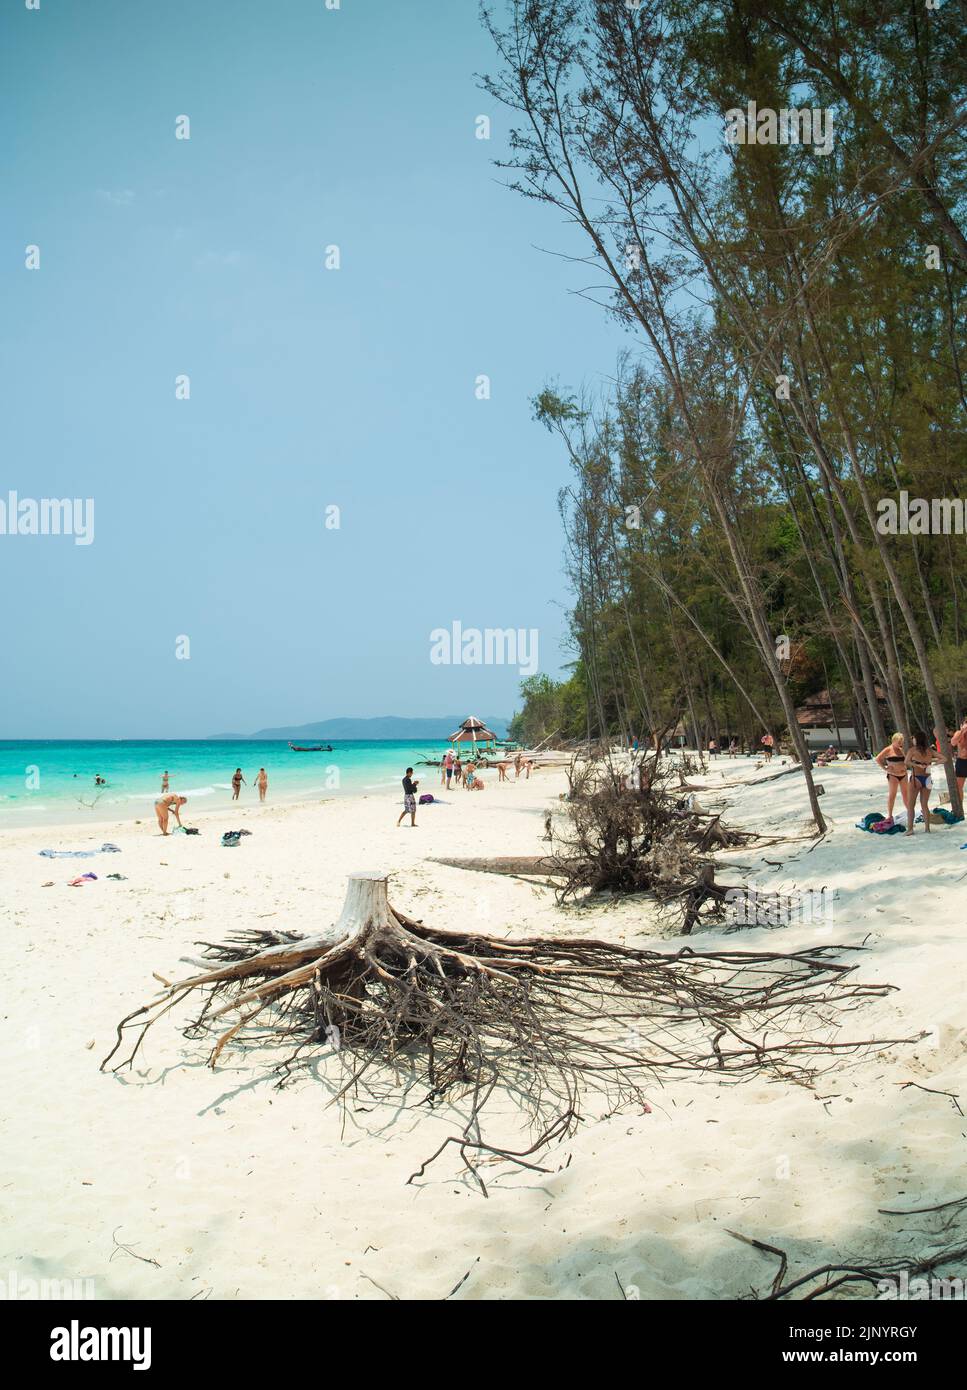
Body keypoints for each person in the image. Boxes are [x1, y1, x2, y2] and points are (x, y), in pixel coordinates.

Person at [905, 730, 943, 835]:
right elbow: (944, 758)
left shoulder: (912, 750)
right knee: (924, 805)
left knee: (910, 805)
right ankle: (927, 829)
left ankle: (910, 829)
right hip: (928, 779)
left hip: (916, 778)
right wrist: (932, 763)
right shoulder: (929, 751)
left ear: (917, 739)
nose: (913, 740)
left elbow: (906, 762)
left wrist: (917, 765)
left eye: (914, 738)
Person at [876, 732, 908, 822]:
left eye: (901, 742)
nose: (900, 744)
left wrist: (905, 766)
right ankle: (890, 815)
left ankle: (910, 812)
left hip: (904, 774)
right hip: (893, 775)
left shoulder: (901, 750)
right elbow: (878, 759)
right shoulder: (888, 749)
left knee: (905, 795)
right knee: (892, 795)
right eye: (899, 742)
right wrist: (885, 768)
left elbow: (905, 760)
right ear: (894, 741)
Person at [951, 716, 967, 803]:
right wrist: (962, 731)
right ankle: (960, 807)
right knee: (958, 786)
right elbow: (953, 742)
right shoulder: (959, 733)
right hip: (962, 762)